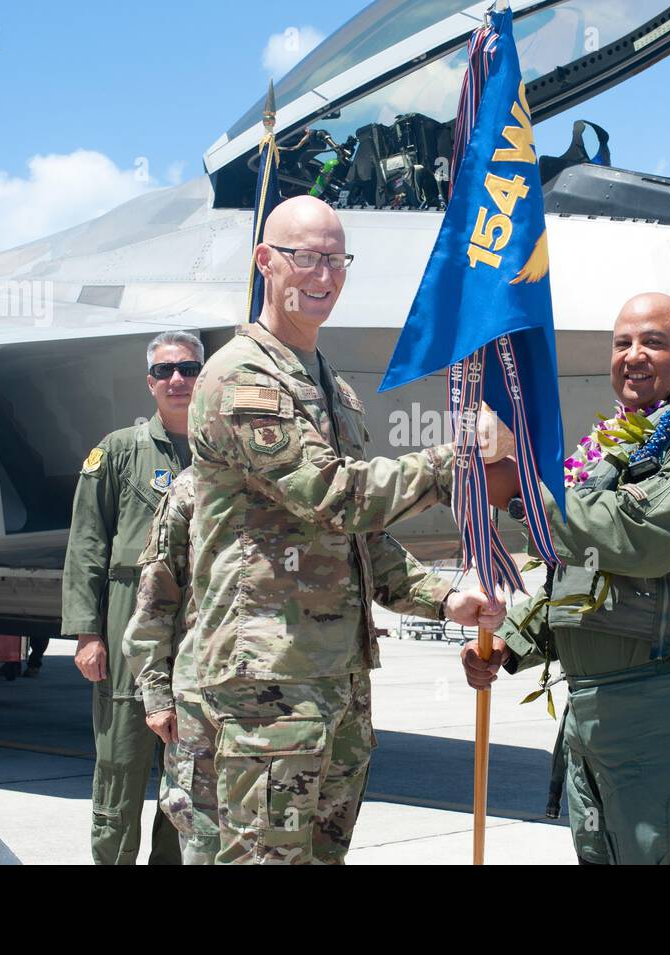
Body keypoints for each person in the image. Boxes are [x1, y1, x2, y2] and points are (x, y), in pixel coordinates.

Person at [188, 195, 504, 864]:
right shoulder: (243, 378)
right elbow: (333, 496)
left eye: (335, 259)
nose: (322, 274)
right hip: (269, 687)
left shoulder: (333, 389)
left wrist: (444, 601)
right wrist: (456, 460)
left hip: (337, 687)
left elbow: (362, 541)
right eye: (306, 257)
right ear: (264, 261)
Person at [461, 292, 670, 865]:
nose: (634, 355)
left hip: (666, 710)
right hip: (596, 711)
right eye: (622, 342)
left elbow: (643, 538)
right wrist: (513, 644)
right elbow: (582, 570)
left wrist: (524, 491)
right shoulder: (612, 449)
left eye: (653, 341)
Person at [61, 329, 204, 865]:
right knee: (121, 762)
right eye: (166, 370)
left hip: (198, 625)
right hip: (129, 614)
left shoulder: (220, 449)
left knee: (188, 773)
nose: (177, 380)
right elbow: (87, 545)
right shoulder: (119, 451)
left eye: (189, 369)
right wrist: (88, 633)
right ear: (150, 382)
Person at [121, 469, 219, 864]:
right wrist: (157, 694)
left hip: (290, 710)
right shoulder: (192, 487)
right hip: (203, 699)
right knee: (201, 832)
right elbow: (155, 602)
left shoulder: (312, 481)